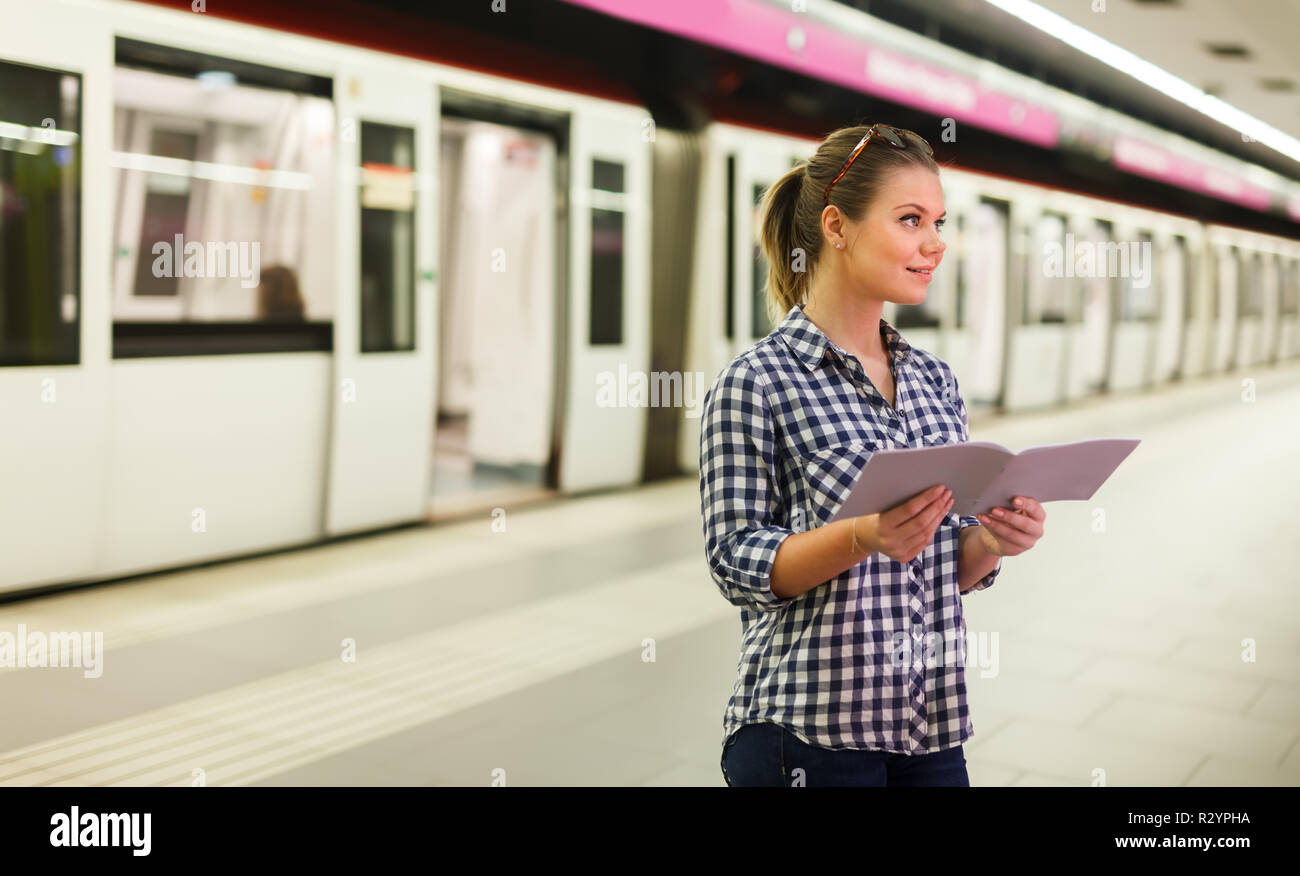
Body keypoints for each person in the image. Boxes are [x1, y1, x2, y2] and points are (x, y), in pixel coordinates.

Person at [699, 123, 1046, 787]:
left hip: (929, 727)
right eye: (911, 220)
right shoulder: (758, 381)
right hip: (807, 735)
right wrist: (860, 536)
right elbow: (734, 563)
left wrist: (994, 542)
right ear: (837, 226)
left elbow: (944, 564)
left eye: (938, 222)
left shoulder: (933, 379)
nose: (935, 244)